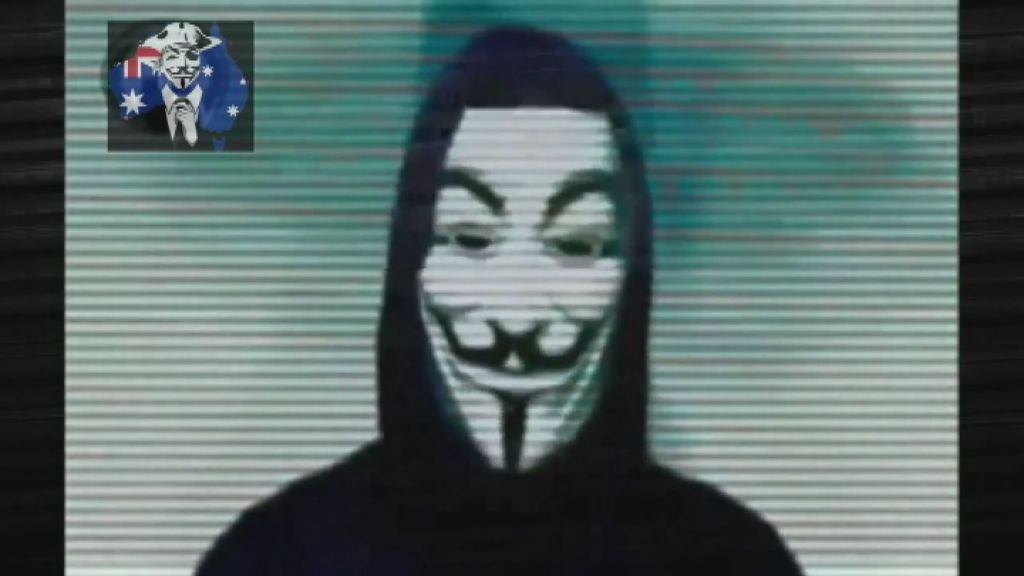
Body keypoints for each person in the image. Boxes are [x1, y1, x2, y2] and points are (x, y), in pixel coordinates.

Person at [193, 24, 804, 576]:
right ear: (410, 260)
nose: (517, 317)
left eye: (577, 242)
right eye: (469, 236)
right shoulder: (277, 558)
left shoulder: (731, 560)